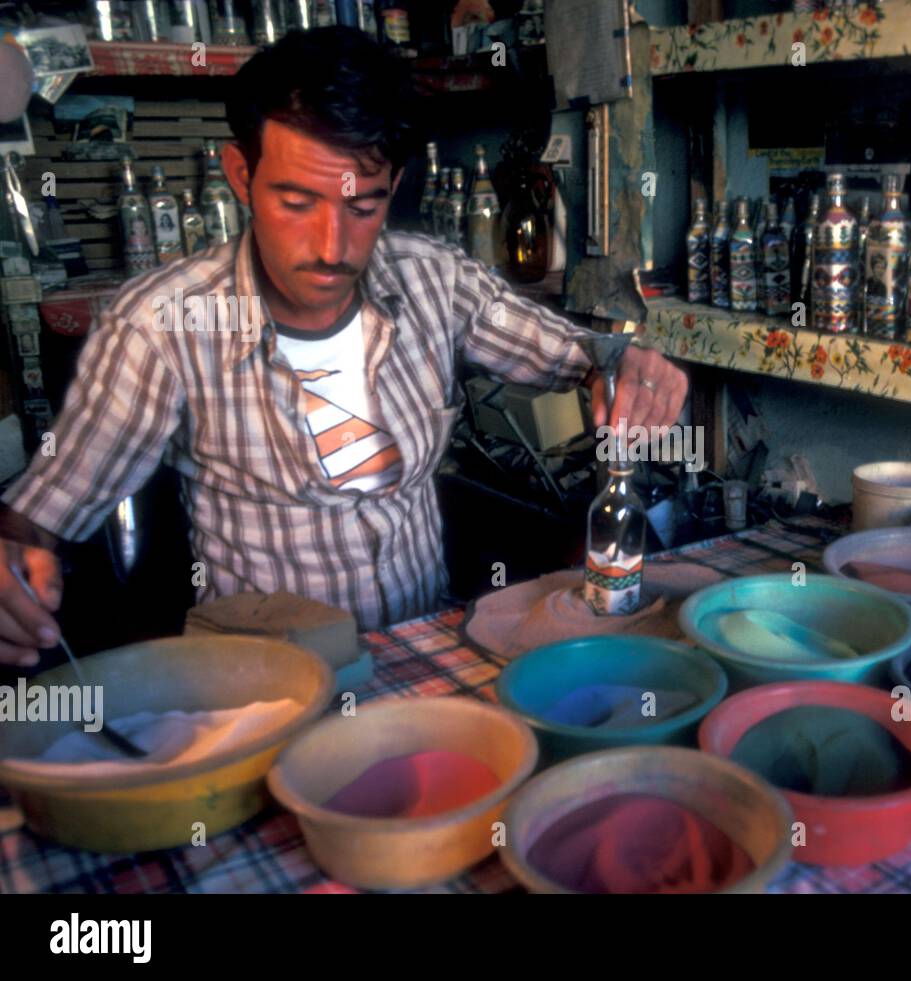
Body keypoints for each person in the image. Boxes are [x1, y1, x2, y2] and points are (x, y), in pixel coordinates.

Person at [0, 27, 687, 665]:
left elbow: (584, 353)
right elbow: (38, 517)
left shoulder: (431, 278)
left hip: (427, 664)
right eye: (296, 202)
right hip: (268, 691)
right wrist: (14, 560)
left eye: (363, 207)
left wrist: (628, 363)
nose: (332, 248)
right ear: (240, 177)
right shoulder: (162, 325)